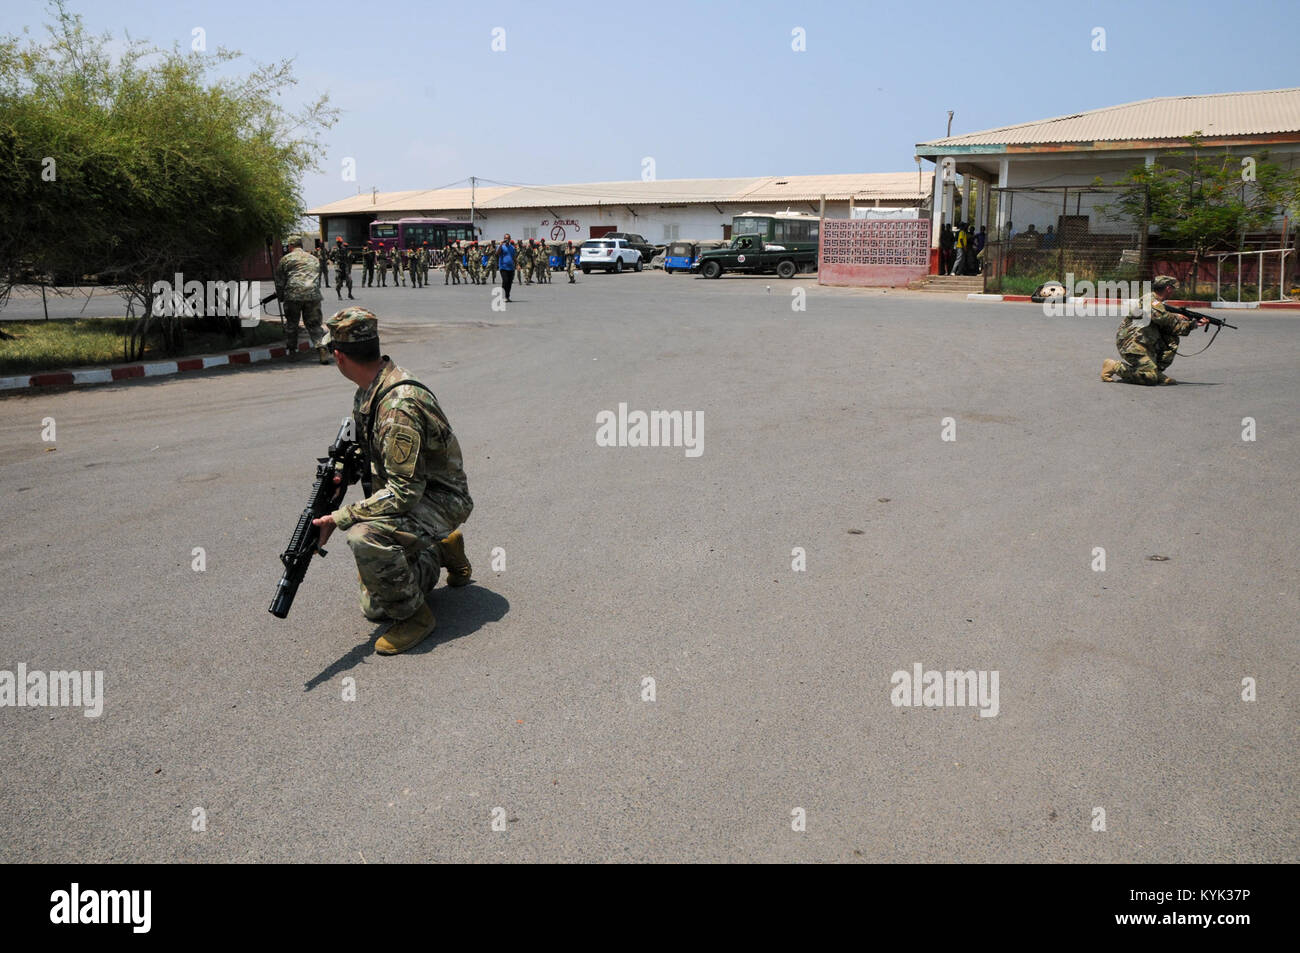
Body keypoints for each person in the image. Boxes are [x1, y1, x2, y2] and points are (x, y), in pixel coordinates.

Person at [311, 308, 474, 655]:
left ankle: (416, 618)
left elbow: (404, 492)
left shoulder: (397, 407)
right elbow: (368, 453)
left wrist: (342, 517)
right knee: (374, 609)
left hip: (440, 499)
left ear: (339, 356)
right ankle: (440, 548)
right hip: (417, 493)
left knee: (363, 537)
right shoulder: (371, 388)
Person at [1101, 275, 1208, 385]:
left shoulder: (1157, 303)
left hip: (1144, 341)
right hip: (1132, 343)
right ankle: (1114, 366)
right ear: (1168, 288)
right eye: (1173, 289)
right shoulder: (1150, 301)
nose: (1173, 292)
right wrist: (1192, 324)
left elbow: (1168, 323)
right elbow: (1166, 320)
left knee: (1171, 338)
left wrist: (1185, 321)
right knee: (1150, 379)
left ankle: (1154, 372)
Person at [274, 238, 330, 364]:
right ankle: (321, 348)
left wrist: (280, 296)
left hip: (293, 295)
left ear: (290, 246)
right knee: (314, 324)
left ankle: (292, 352)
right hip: (313, 295)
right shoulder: (313, 258)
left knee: (292, 324)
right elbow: (317, 278)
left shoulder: (286, 259)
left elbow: (280, 282)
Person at [497, 234, 517, 301]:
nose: (507, 239)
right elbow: (497, 253)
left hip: (511, 267)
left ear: (510, 239)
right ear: (504, 239)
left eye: (508, 238)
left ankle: (507, 296)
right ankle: (504, 286)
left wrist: (518, 264)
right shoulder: (501, 246)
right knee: (505, 281)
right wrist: (500, 245)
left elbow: (514, 257)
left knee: (509, 283)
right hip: (503, 267)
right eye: (505, 238)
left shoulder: (512, 247)